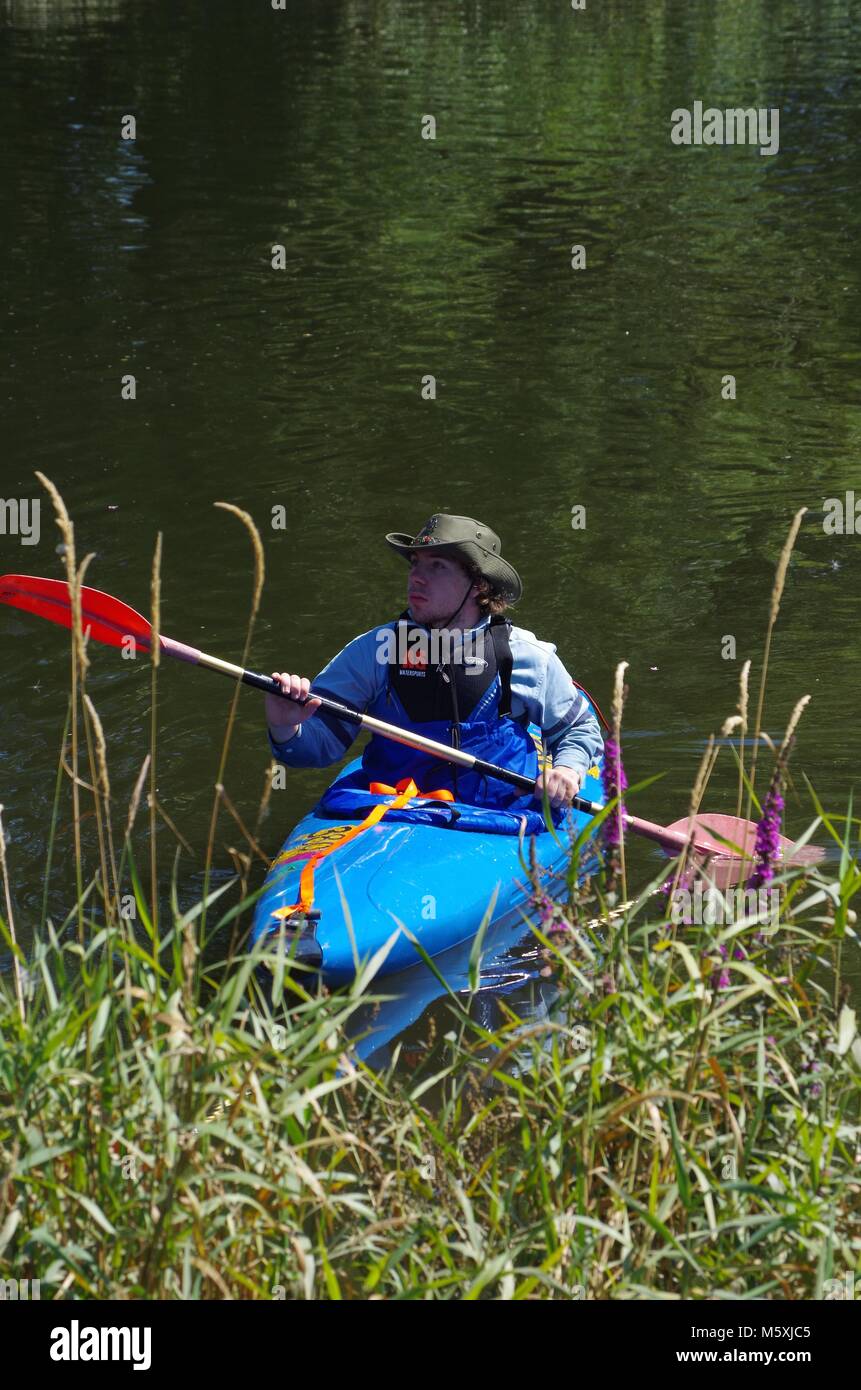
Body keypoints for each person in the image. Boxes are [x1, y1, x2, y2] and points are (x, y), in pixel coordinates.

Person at [265, 514, 603, 812]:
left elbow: (580, 730)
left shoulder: (525, 656)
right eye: (415, 564)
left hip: (498, 813)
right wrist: (286, 728)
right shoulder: (375, 652)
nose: (417, 577)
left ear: (479, 584)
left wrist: (567, 770)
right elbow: (315, 750)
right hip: (394, 809)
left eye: (436, 566)